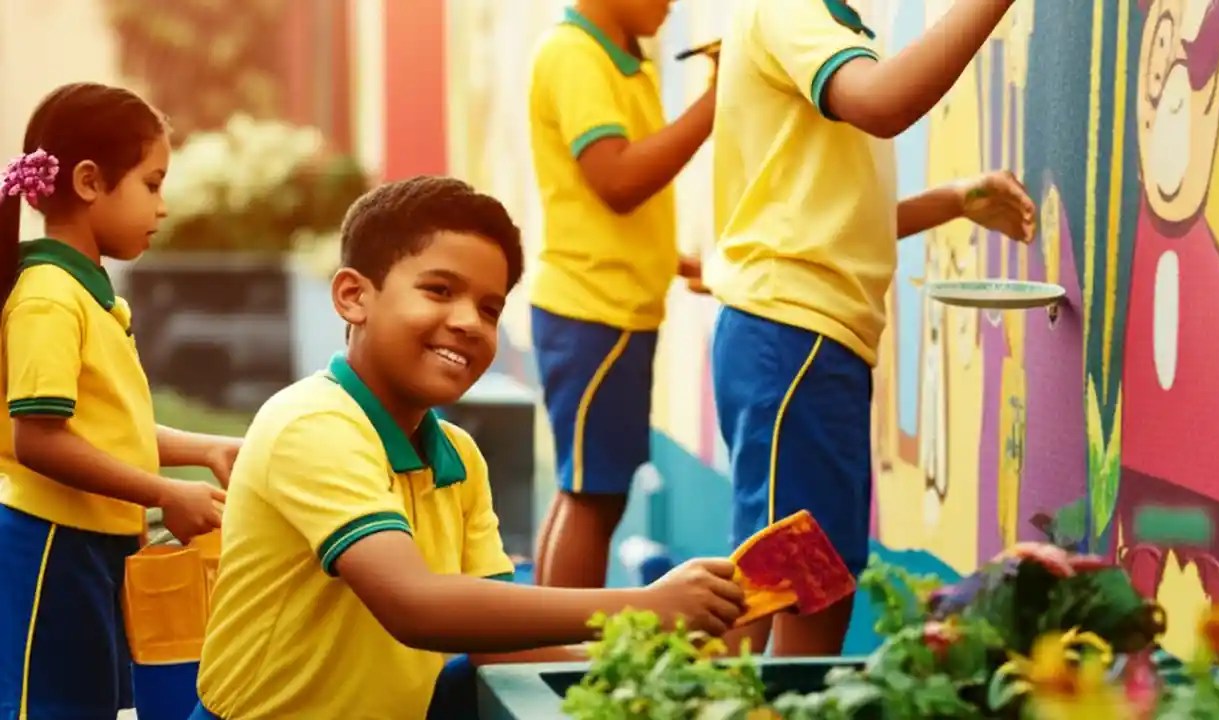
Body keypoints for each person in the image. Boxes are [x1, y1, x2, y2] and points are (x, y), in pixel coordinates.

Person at [192, 176, 744, 719]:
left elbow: (499, 646)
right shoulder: (312, 422)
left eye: (489, 309)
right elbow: (415, 607)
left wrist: (652, 670)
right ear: (354, 296)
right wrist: (646, 606)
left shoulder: (456, 455)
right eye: (439, 290)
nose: (468, 323)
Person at [708, 0, 1037, 657]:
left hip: (807, 340)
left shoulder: (838, 29)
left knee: (813, 584)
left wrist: (954, 199)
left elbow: (836, 218)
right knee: (791, 588)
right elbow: (885, 102)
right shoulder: (789, 11)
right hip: (790, 335)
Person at [0, 82, 239, 719]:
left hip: (95, 545)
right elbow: (39, 439)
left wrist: (206, 448)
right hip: (51, 546)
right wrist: (165, 493)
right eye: (152, 183)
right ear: (87, 182)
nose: (163, 206)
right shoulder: (49, 297)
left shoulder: (88, 293)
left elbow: (106, 428)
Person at [527, 0, 715, 589]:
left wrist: (673, 258)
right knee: (592, 496)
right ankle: (552, 651)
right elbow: (618, 180)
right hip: (592, 311)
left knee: (591, 491)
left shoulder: (629, 60)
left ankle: (544, 643)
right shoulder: (575, 55)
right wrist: (717, 101)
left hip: (612, 310)